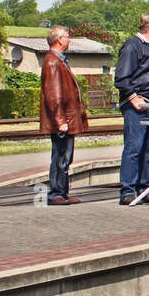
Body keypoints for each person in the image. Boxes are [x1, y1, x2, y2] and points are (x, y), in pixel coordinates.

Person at [114, 14, 149, 205]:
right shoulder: (133, 46)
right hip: (138, 104)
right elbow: (121, 77)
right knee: (134, 147)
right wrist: (132, 96)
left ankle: (144, 187)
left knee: (148, 148)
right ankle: (127, 189)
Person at [39, 25, 89, 206]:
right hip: (63, 120)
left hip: (66, 118)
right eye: (67, 37)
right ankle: (55, 193)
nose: (69, 40)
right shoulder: (52, 61)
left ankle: (62, 192)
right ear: (59, 39)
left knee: (65, 157)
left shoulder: (58, 60)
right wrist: (61, 120)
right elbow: (54, 94)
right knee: (60, 156)